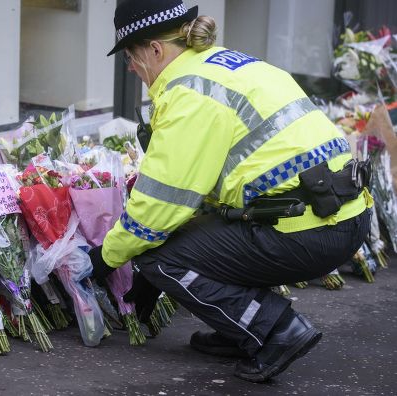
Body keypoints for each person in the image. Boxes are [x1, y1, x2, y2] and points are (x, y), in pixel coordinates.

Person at [88, 0, 372, 383]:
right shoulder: (232, 65)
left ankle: (276, 330)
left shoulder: (189, 94)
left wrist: (109, 258)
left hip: (306, 229)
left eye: (130, 56)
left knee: (162, 257)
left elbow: (159, 205)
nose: (130, 67)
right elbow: (204, 193)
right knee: (183, 242)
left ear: (155, 49)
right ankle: (240, 330)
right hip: (343, 214)